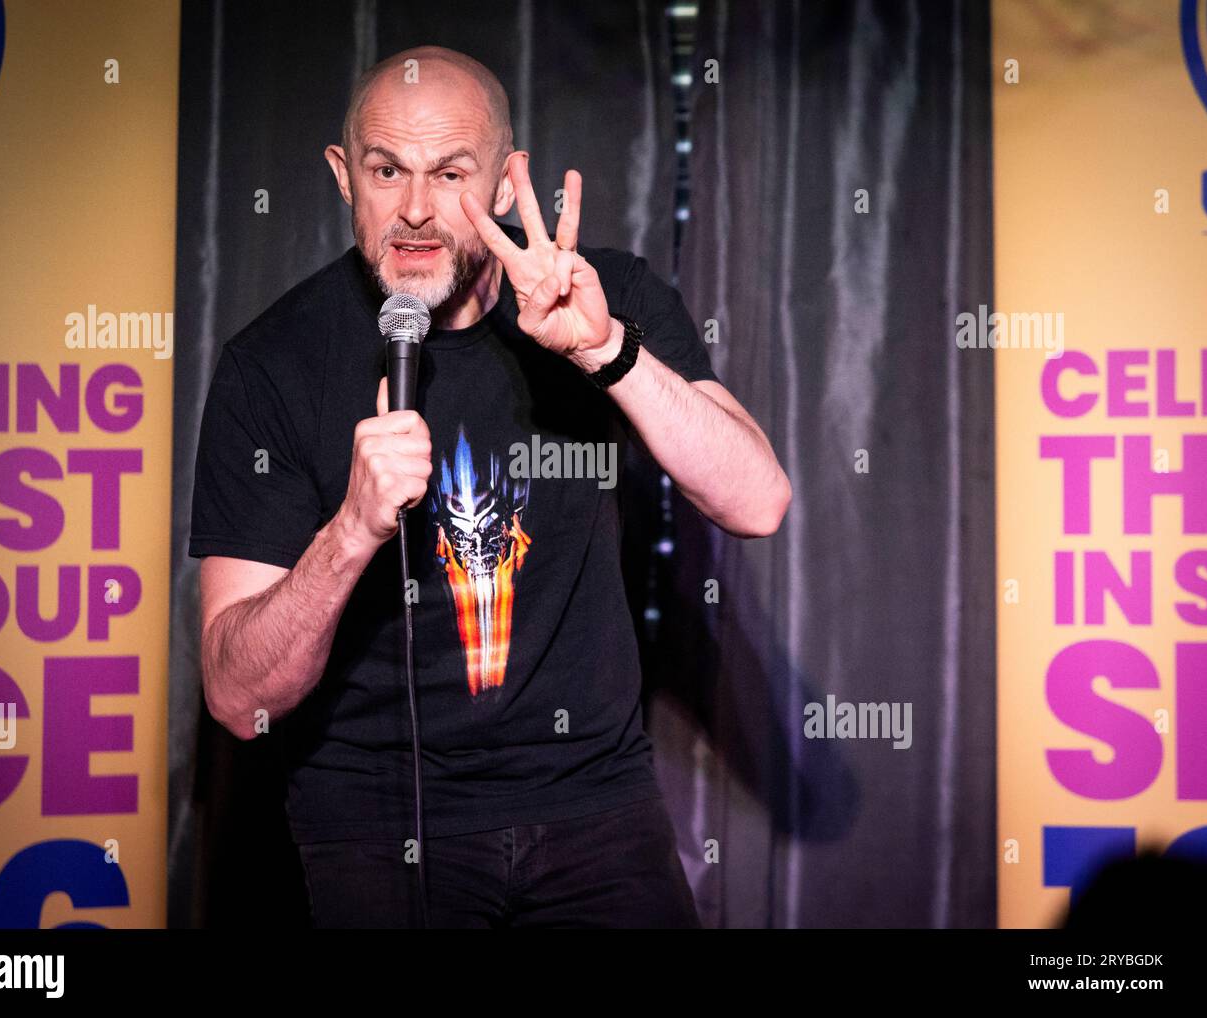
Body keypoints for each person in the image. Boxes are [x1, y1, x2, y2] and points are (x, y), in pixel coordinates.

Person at [188, 45, 791, 928]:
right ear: (342, 176)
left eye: (451, 172)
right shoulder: (271, 367)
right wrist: (352, 528)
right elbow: (239, 701)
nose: (418, 209)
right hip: (376, 818)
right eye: (386, 170)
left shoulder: (601, 297)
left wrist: (605, 351)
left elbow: (757, 501)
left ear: (508, 186)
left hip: (594, 803)